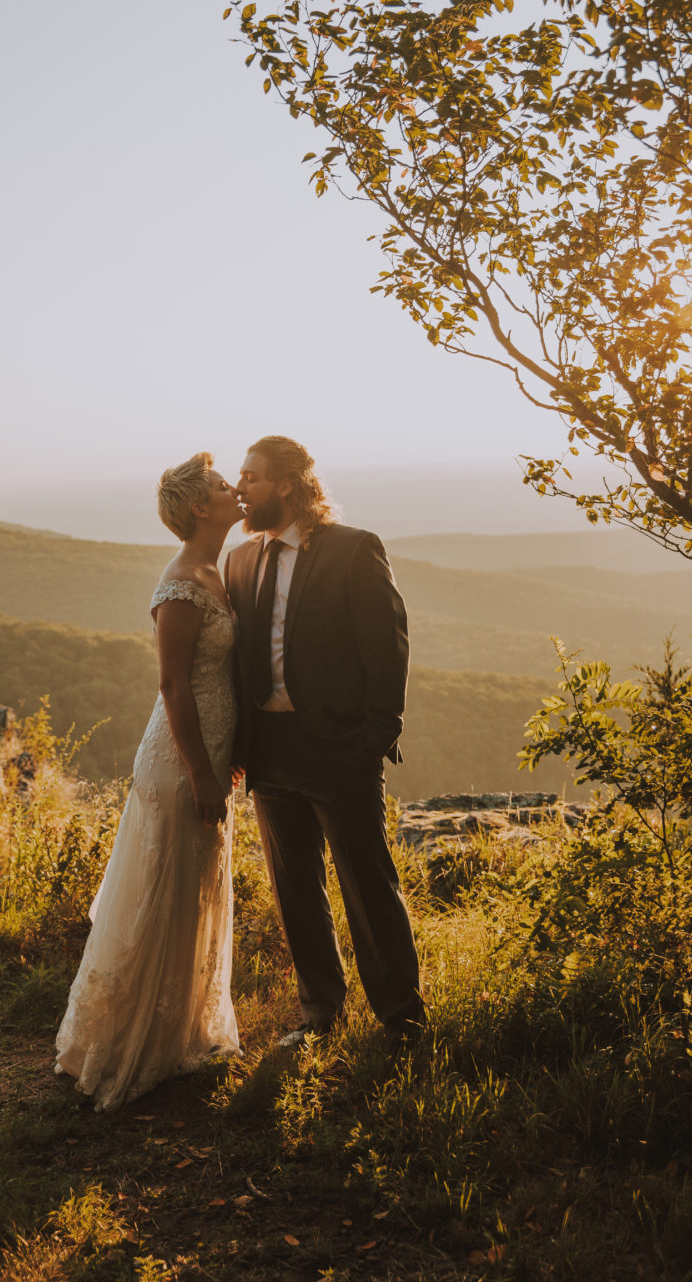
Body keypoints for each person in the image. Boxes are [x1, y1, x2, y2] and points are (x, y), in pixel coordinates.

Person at [55, 453, 244, 1110]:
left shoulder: (217, 569)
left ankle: (179, 1033)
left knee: (193, 892)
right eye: (221, 484)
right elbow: (172, 687)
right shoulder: (182, 584)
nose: (233, 488)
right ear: (199, 507)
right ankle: (128, 1046)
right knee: (162, 896)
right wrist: (201, 773)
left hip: (209, 754)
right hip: (179, 763)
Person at [225, 435, 424, 1048]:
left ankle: (402, 1021)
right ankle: (320, 1016)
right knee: (295, 893)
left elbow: (388, 647)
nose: (240, 487)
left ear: (287, 484)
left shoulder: (352, 549)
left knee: (368, 887)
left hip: (340, 749)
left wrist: (372, 739)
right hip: (269, 749)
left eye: (251, 477)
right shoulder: (240, 560)